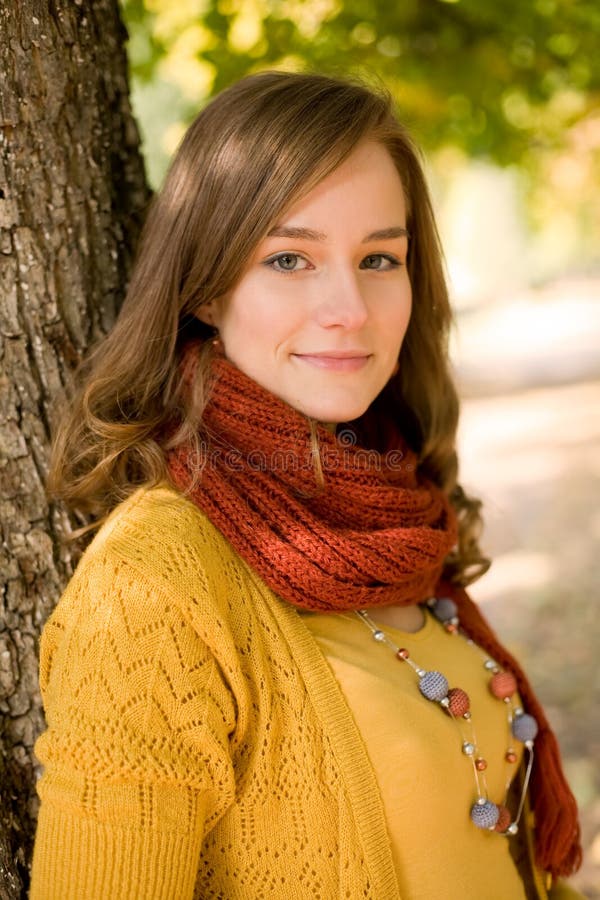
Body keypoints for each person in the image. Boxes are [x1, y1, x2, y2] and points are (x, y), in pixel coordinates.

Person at [30, 71, 583, 899]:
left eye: (379, 258)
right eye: (289, 258)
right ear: (208, 288)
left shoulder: (395, 515)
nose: (349, 307)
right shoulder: (153, 586)